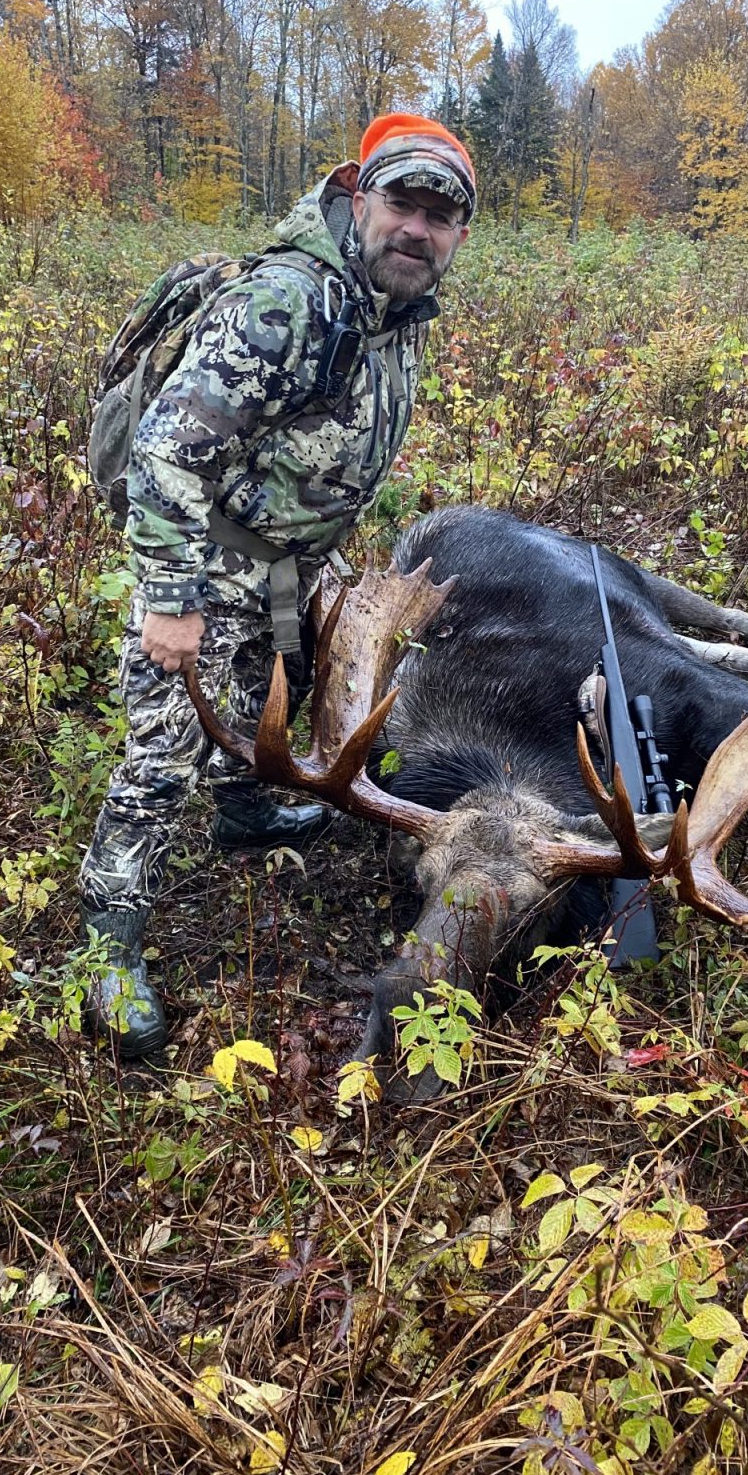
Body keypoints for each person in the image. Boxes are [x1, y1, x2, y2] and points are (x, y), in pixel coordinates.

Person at [79, 113, 475, 1057]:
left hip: (279, 559)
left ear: (460, 232)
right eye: (401, 204)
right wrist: (171, 602)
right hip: (207, 556)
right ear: (359, 197)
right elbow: (167, 455)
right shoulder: (293, 303)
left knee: (264, 696)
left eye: (439, 215)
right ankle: (109, 942)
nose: (416, 228)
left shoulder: (396, 310)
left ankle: (244, 810)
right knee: (162, 754)